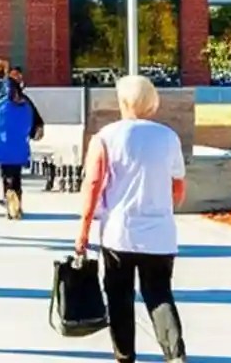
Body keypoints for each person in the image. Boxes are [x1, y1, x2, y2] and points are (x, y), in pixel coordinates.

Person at [75, 75, 188, 363]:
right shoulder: (168, 137)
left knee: (119, 296)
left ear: (122, 101)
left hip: (118, 233)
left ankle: (124, 355)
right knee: (160, 294)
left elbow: (92, 184)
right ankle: (175, 354)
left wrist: (84, 229)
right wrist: (163, 207)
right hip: (159, 233)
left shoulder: (106, 137)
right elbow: (178, 187)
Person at [0, 77, 36, 220]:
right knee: (17, 176)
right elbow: (30, 124)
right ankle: (17, 203)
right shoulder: (25, 105)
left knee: (6, 176)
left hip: (3, 147)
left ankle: (9, 202)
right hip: (19, 147)